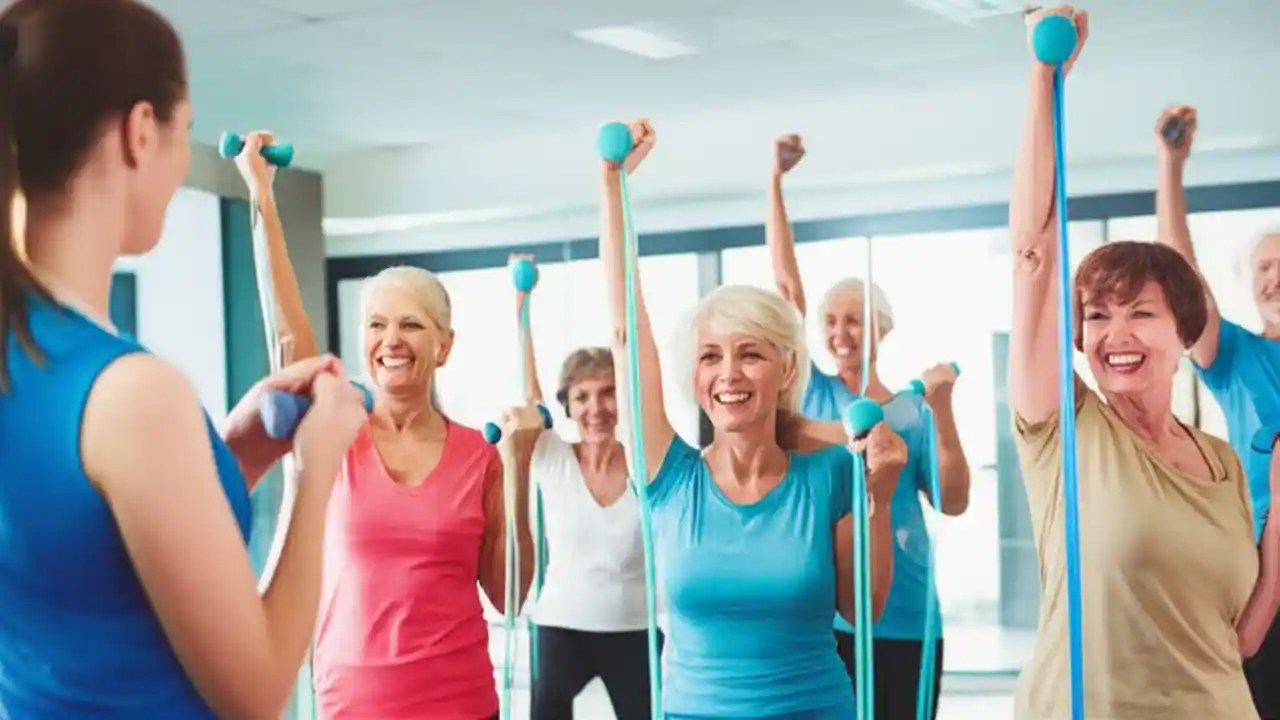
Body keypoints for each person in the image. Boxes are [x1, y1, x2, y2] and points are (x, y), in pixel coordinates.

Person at [0, 1, 369, 717]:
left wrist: (233, 453)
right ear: (141, 132)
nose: (177, 165)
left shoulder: (37, 363)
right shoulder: (132, 393)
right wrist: (315, 470)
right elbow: (258, 691)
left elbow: (85, 554)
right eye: (183, 134)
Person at [1010, 7, 1268, 718]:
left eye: (1141, 312)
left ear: (1185, 332)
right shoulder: (1064, 432)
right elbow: (1034, 259)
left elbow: (1241, 638)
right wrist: (1045, 81)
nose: (1114, 332)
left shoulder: (1221, 463)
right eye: (1097, 314)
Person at [600, 118, 904, 719]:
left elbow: (862, 610)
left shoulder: (828, 478)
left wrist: (881, 498)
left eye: (751, 354)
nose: (729, 374)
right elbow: (625, 333)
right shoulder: (668, 477)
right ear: (694, 375)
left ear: (786, 369)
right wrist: (613, 188)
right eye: (711, 356)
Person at [766, 133, 972, 719]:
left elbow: (953, 501)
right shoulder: (810, 391)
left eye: (854, 320)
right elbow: (786, 291)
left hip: (906, 612)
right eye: (830, 321)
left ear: (882, 328)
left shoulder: (912, 408)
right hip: (828, 611)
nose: (838, 333)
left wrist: (946, 410)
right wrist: (774, 182)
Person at [1153, 102, 1280, 716]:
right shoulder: (1237, 358)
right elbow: (1179, 275)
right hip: (1262, 583)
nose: (1276, 277)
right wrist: (1170, 168)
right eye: (1265, 266)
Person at [511, 253, 659, 720]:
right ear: (568, 406)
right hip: (561, 628)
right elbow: (528, 396)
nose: (597, 407)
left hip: (635, 629)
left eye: (608, 392)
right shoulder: (552, 458)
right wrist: (522, 303)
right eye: (582, 396)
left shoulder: (646, 464)